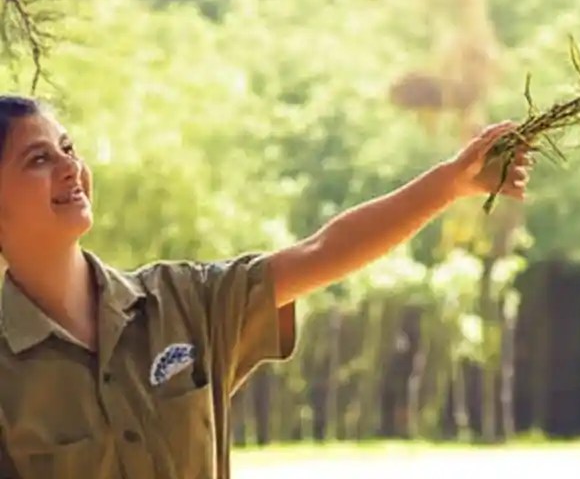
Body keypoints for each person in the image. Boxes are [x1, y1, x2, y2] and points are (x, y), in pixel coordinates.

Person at [0, 94, 533, 478]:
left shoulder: (184, 301)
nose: (70, 167)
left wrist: (450, 184)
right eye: (39, 159)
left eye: (68, 148)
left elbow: (321, 251)